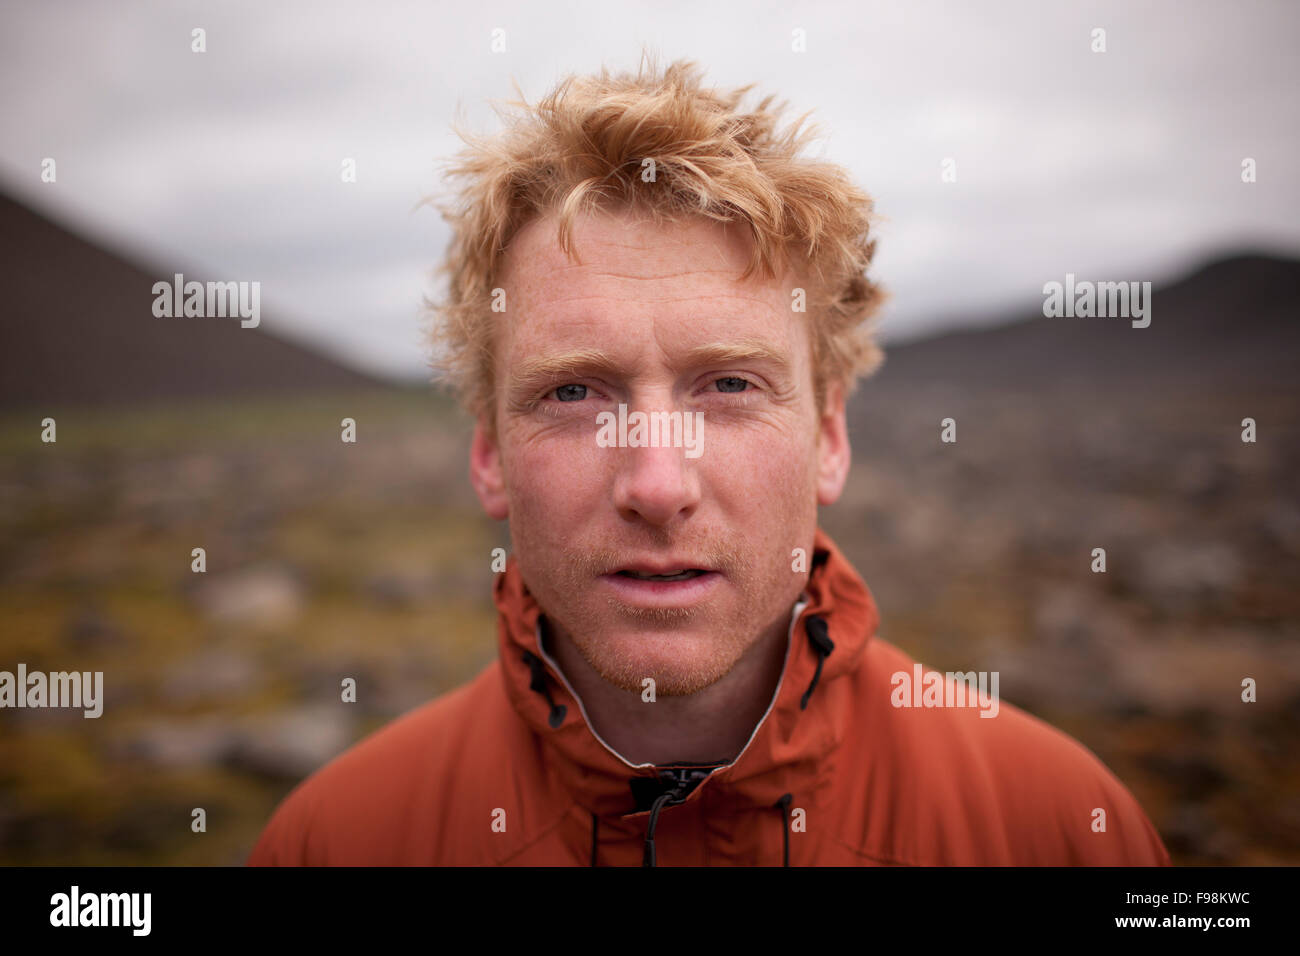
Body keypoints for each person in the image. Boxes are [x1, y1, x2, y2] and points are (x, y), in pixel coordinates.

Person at [248, 55, 1170, 866]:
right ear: (488, 450)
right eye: (574, 394)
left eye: (728, 388)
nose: (656, 485)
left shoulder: (1061, 832)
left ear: (831, 439)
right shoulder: (334, 843)